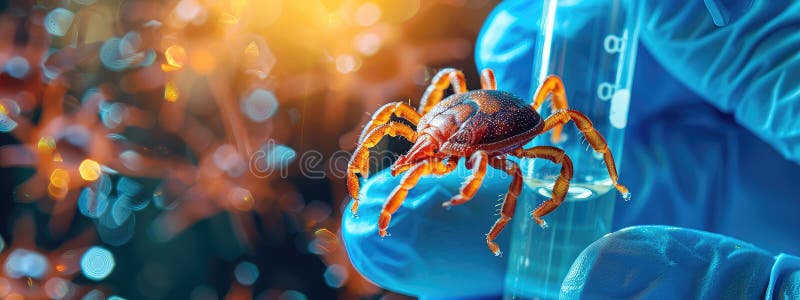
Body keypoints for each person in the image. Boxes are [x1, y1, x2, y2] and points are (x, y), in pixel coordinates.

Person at [342, 0, 800, 298]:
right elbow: (435, 102)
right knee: (417, 127)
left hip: (502, 125)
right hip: (460, 120)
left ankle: (543, 208)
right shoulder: (436, 117)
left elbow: (514, 167)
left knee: (538, 161)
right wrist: (433, 132)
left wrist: (517, 210)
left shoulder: (489, 149)